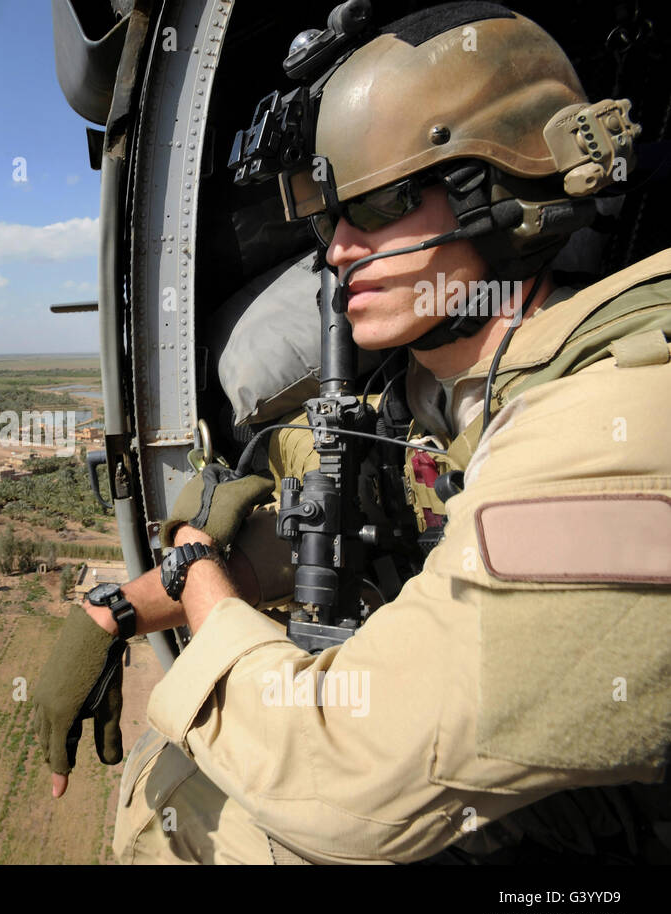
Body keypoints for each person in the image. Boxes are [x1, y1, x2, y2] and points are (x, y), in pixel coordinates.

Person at [33, 2, 671, 864]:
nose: (336, 249)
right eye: (329, 216)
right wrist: (120, 606)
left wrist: (195, 583)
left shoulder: (618, 418)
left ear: (499, 190)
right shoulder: (453, 400)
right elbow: (381, 512)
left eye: (374, 204)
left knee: (209, 811)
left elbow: (342, 780)